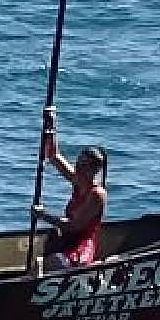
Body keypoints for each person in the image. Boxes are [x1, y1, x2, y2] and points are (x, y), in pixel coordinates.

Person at [33, 107, 108, 272]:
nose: (78, 167)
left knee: (51, 263)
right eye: (78, 163)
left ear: (94, 170)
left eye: (83, 165)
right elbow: (53, 156)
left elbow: (73, 226)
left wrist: (43, 215)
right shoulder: (77, 180)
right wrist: (50, 126)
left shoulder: (97, 195)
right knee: (51, 238)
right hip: (66, 240)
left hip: (80, 247)